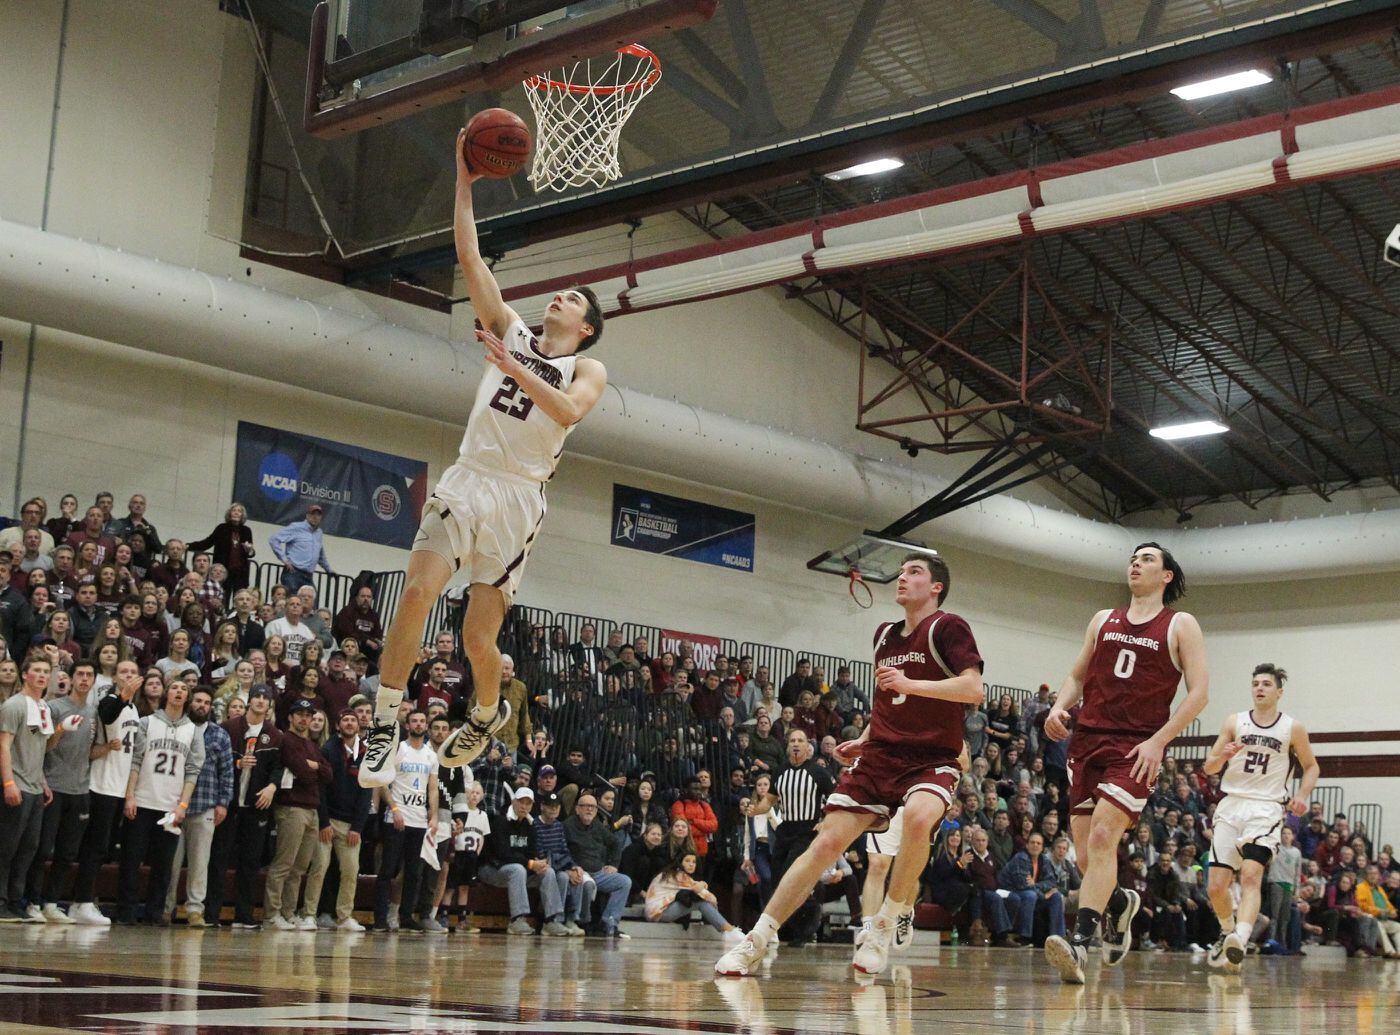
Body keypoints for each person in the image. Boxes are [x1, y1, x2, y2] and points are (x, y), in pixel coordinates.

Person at [356, 130, 608, 789]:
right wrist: (466, 181)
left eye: (575, 302)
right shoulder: (514, 329)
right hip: (469, 478)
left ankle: (489, 709)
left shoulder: (587, 365)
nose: (562, 298)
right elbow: (469, 256)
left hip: (519, 499)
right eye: (561, 293)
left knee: (476, 643)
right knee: (415, 591)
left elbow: (569, 411)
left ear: (584, 328)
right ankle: (384, 723)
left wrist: (512, 369)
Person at [717, 553, 984, 977]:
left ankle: (884, 925)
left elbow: (974, 689)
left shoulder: (948, 627)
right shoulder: (884, 637)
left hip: (932, 758)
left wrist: (912, 683)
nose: (903, 577)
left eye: (914, 572)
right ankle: (756, 940)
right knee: (823, 845)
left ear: (936, 587)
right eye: (901, 571)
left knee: (918, 819)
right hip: (881, 757)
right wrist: (863, 739)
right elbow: (886, 706)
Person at [1040, 542, 1209, 985]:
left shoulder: (1180, 624)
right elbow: (1078, 674)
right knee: (1084, 857)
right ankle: (1118, 905)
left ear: (1167, 575)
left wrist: (1159, 743)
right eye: (1134, 557)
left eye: (1148, 558)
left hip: (1136, 748)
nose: (1136, 563)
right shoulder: (1103, 619)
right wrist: (1059, 708)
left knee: (1102, 837)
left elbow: (1198, 694)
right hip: (1088, 740)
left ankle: (1078, 946)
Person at [1200, 662, 1318, 972]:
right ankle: (1228, 933)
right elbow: (1208, 767)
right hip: (1231, 805)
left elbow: (1312, 766)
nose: (1259, 688)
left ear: (1279, 692)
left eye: (1266, 684)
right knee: (1216, 886)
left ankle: (1241, 936)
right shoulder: (1234, 721)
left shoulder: (1292, 728)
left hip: (1266, 808)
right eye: (1255, 683)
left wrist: (1302, 795)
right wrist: (1223, 755)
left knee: (1251, 875)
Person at [118, 677, 205, 925]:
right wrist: (130, 795)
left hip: (170, 808)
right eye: (175, 688)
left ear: (187, 698)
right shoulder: (148, 722)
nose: (179, 692)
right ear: (167, 694)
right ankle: (126, 912)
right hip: (143, 801)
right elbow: (135, 760)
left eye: (184, 689)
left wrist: (183, 805)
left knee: (164, 865)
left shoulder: (193, 731)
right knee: (131, 860)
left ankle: (154, 914)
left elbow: (192, 771)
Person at [212, 685, 284, 929]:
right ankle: (212, 912)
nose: (261, 701)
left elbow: (279, 767)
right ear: (249, 701)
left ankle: (243, 915)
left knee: (250, 862)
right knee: (220, 858)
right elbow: (215, 762)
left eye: (266, 698)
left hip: (256, 807)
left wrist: (272, 786)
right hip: (229, 804)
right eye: (257, 697)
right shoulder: (228, 728)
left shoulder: (275, 735)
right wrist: (238, 762)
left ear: (270, 705)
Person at [163, 686, 233, 927]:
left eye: (206, 702)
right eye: (198, 701)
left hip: (204, 806)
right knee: (170, 862)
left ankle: (194, 909)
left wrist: (223, 803)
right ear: (190, 703)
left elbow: (227, 773)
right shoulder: (176, 729)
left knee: (200, 862)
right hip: (173, 804)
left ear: (211, 707)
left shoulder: (219, 734)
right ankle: (166, 908)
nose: (202, 705)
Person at [263, 697, 333, 930]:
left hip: (312, 809)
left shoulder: (312, 745)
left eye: (308, 715)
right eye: (300, 714)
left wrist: (314, 766)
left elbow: (328, 774)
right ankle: (271, 915)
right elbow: (304, 772)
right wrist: (314, 768)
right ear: (291, 717)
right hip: (291, 808)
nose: (305, 719)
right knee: (283, 864)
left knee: (299, 868)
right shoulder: (286, 741)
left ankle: (288, 912)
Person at [0, 656, 60, 922]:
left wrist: (44, 781)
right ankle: (1, 900)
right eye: (36, 670)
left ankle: (15, 900)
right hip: (18, 785)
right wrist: (8, 782)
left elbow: (42, 747)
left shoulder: (43, 706)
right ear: (25, 675)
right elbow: (3, 746)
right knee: (7, 846)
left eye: (46, 671)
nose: (42, 675)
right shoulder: (14, 705)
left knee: (29, 847)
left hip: (35, 787)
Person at [373, 708, 438, 933]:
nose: (419, 724)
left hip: (419, 820)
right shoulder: (398, 749)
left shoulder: (431, 755)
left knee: (414, 872)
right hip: (396, 818)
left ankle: (406, 915)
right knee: (388, 870)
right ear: (407, 725)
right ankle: (380, 918)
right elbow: (381, 780)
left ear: (426, 725)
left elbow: (432, 787)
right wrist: (394, 808)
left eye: (422, 721)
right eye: (414, 721)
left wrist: (435, 815)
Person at [480, 785, 570, 935]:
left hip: (518, 872)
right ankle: (517, 920)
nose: (524, 806)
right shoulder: (500, 821)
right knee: (518, 869)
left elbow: (532, 853)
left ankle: (551, 921)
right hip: (492, 870)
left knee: (548, 872)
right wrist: (529, 863)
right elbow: (503, 854)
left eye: (528, 803)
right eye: (521, 802)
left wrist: (538, 863)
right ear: (514, 802)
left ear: (532, 806)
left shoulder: (530, 825)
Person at [564, 790, 633, 937]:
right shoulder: (567, 826)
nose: (589, 809)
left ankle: (610, 922)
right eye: (586, 806)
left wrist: (613, 864)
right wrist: (571, 867)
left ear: (596, 810)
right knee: (583, 882)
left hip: (599, 873)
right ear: (577, 809)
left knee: (624, 881)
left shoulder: (598, 825)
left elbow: (614, 843)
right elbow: (562, 850)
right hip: (580, 871)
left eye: (593, 807)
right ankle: (578, 922)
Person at [646, 851, 744, 941]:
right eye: (687, 861)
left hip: (657, 911)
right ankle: (730, 931)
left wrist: (702, 885)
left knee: (697, 899)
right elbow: (708, 896)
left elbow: (695, 889)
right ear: (680, 863)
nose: (691, 864)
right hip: (658, 913)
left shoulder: (672, 873)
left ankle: (728, 930)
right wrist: (704, 884)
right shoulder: (678, 875)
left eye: (694, 862)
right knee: (701, 903)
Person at [187, 503, 255, 595]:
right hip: (222, 571)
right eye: (234, 510)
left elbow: (250, 553)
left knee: (240, 597)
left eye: (239, 511)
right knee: (222, 598)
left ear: (242, 515)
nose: (236, 513)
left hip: (240, 573)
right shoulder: (221, 528)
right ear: (229, 513)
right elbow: (207, 542)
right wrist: (189, 546)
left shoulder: (246, 531)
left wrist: (249, 550)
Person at [268, 505, 334, 594]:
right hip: (293, 573)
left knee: (311, 603)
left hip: (308, 576)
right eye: (312, 514)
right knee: (293, 602)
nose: (315, 517)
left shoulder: (319, 533)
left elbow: (320, 555)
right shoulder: (296, 527)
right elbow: (274, 539)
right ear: (307, 516)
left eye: (318, 515)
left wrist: (329, 570)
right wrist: (284, 560)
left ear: (321, 517)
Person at [332, 585, 383, 666]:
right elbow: (348, 631)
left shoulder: (374, 615)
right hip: (349, 648)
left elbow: (378, 634)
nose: (366, 599)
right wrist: (367, 641)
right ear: (357, 598)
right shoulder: (347, 611)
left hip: (368, 653)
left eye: (369, 597)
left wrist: (378, 642)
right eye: (363, 596)